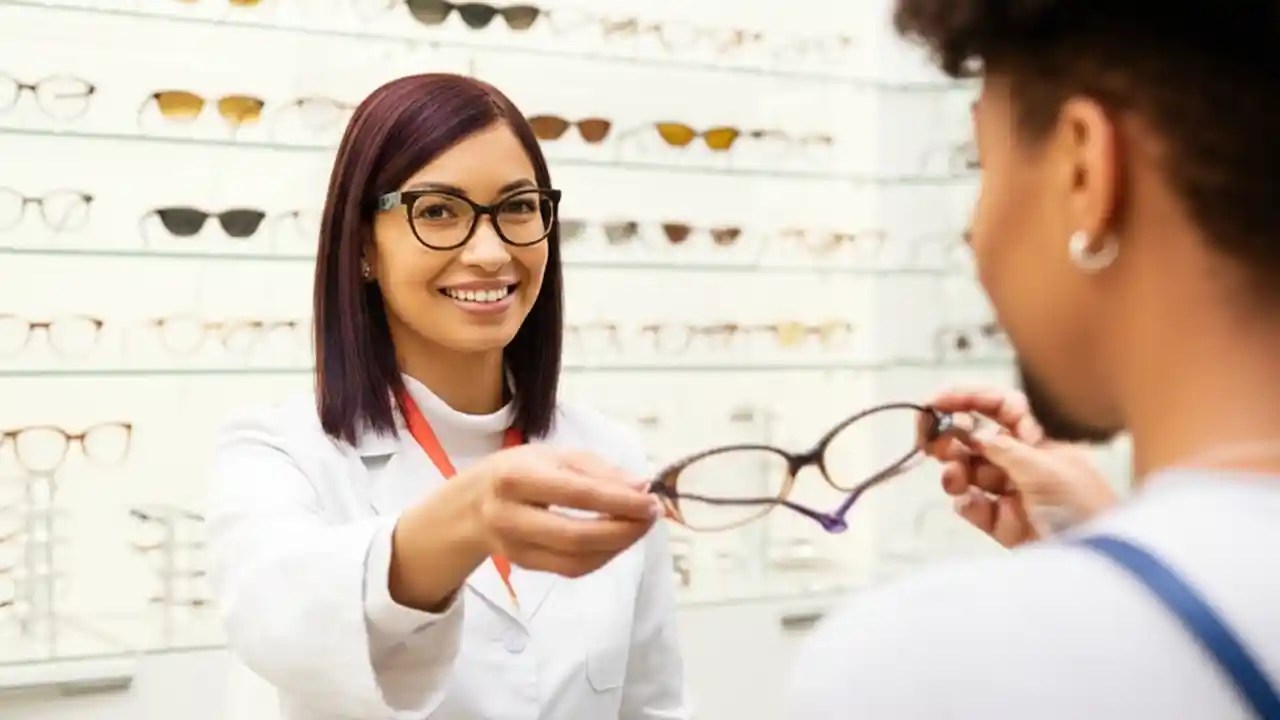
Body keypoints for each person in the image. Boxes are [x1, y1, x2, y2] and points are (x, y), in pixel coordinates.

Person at [789, 2, 1280, 718]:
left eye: (982, 164)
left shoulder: (932, 664)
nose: (974, 234)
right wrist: (1109, 537)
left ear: (1085, 167)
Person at [206, 74, 689, 720]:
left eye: (517, 208)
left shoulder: (610, 454)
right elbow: (275, 617)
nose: (490, 253)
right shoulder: (279, 453)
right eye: (438, 212)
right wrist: (466, 520)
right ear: (362, 249)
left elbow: (654, 705)